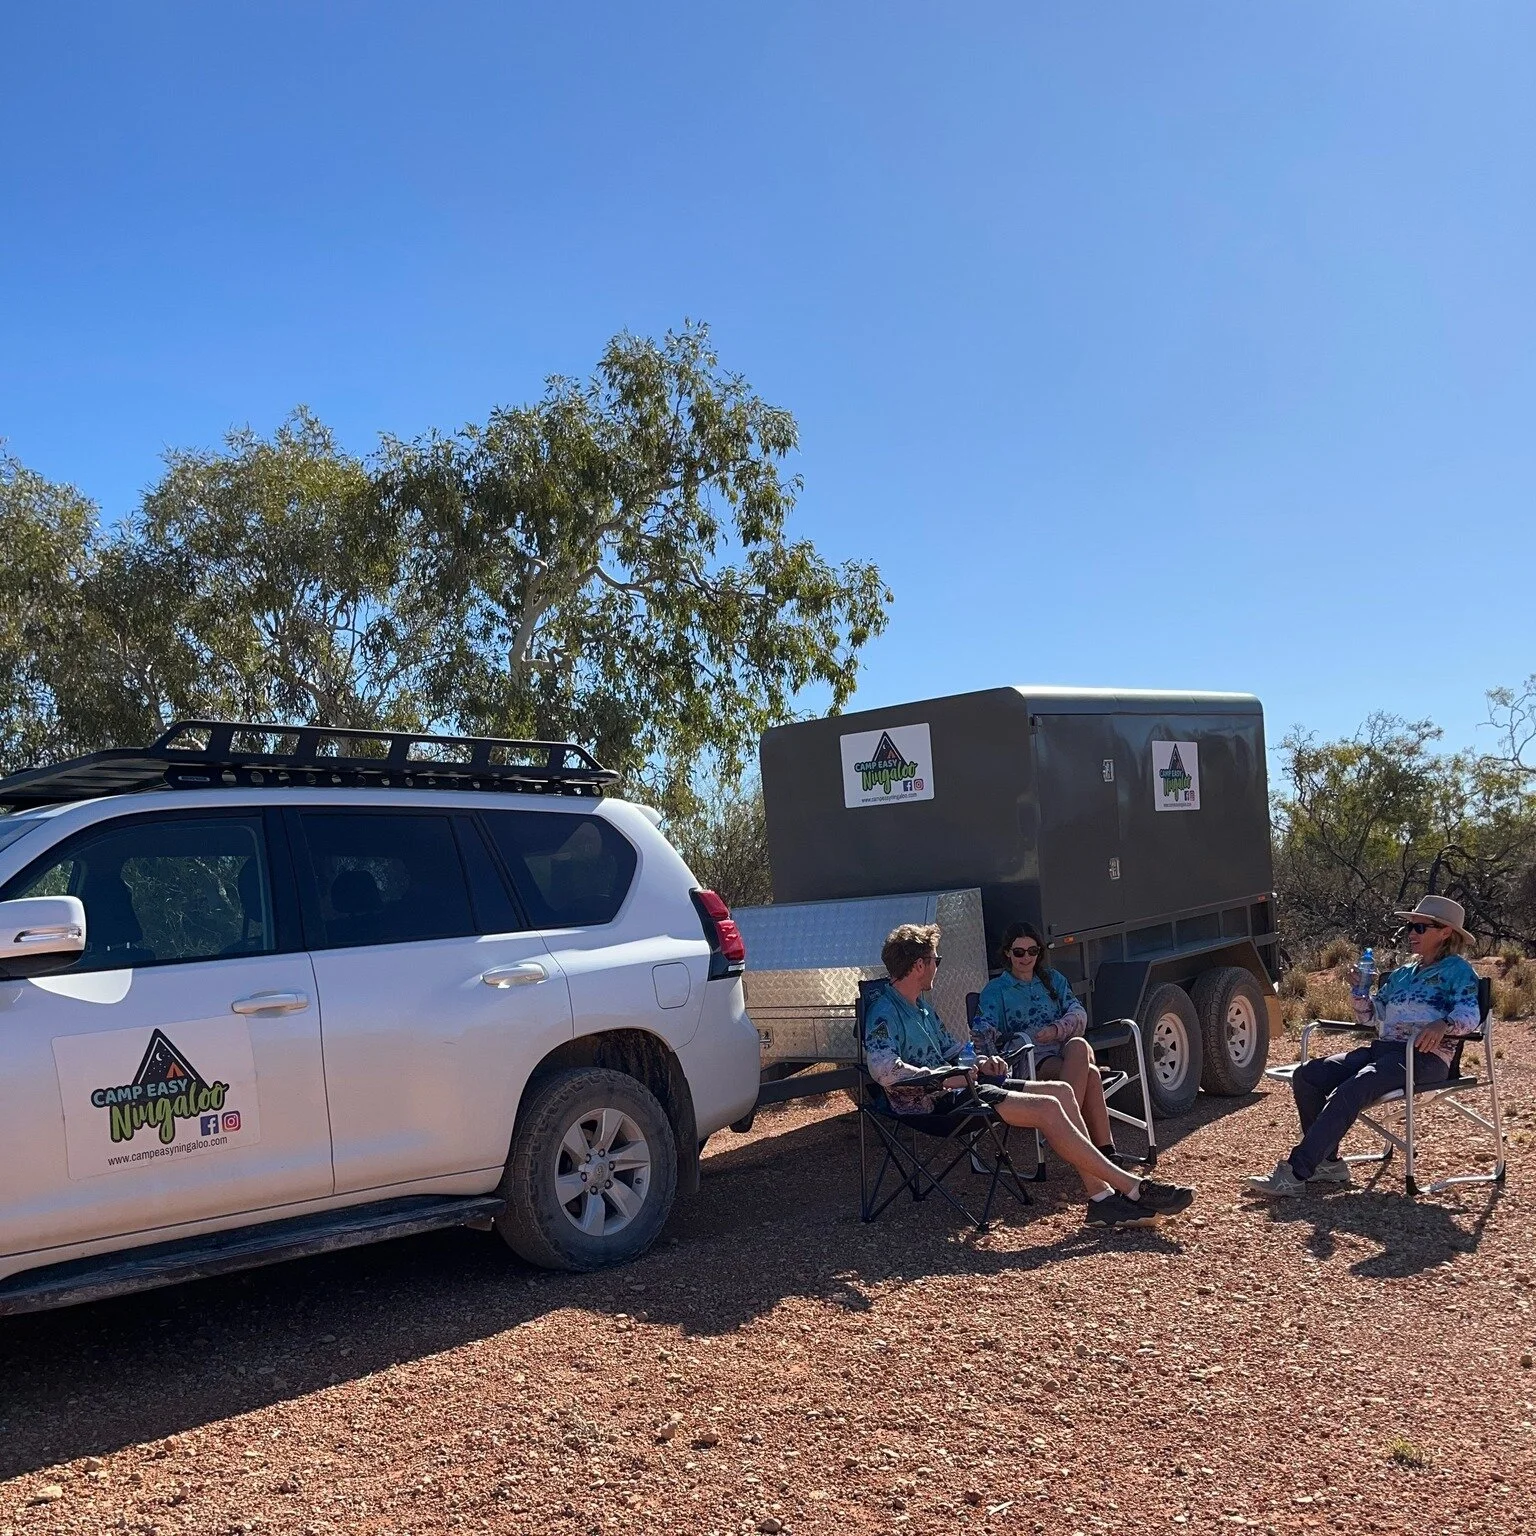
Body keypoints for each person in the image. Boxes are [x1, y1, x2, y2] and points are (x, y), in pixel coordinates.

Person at [863, 923, 1196, 1228]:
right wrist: (946, 1078)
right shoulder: (884, 1011)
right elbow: (884, 1070)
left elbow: (954, 1051)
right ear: (919, 965)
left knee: (1060, 1093)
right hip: (928, 1104)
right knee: (1048, 1109)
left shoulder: (922, 1007)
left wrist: (980, 1062)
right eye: (935, 959)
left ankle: (1101, 1199)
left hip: (963, 1088)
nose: (938, 965)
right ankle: (1133, 1188)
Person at [1248, 896, 1482, 1197]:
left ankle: (1294, 1172)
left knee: (1353, 1088)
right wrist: (1359, 992)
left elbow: (1470, 1014)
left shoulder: (1457, 971)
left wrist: (1443, 1024)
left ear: (1445, 932)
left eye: (1420, 928)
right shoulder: (1401, 974)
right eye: (1410, 926)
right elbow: (1371, 1016)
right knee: (1308, 1075)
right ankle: (1328, 1163)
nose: (1411, 933)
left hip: (1424, 1057)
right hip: (1385, 1050)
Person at [972, 921, 1132, 1168]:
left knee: (1079, 1045)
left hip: (1063, 1050)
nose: (1026, 957)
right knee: (1089, 1073)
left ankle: (1070, 1134)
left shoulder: (1053, 980)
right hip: (1028, 1059)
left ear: (1039, 952)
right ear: (1007, 953)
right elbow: (982, 1030)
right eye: (1019, 952)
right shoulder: (997, 990)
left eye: (1032, 951)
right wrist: (988, 1063)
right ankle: (1104, 1150)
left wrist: (1056, 1030)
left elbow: (1078, 1013)